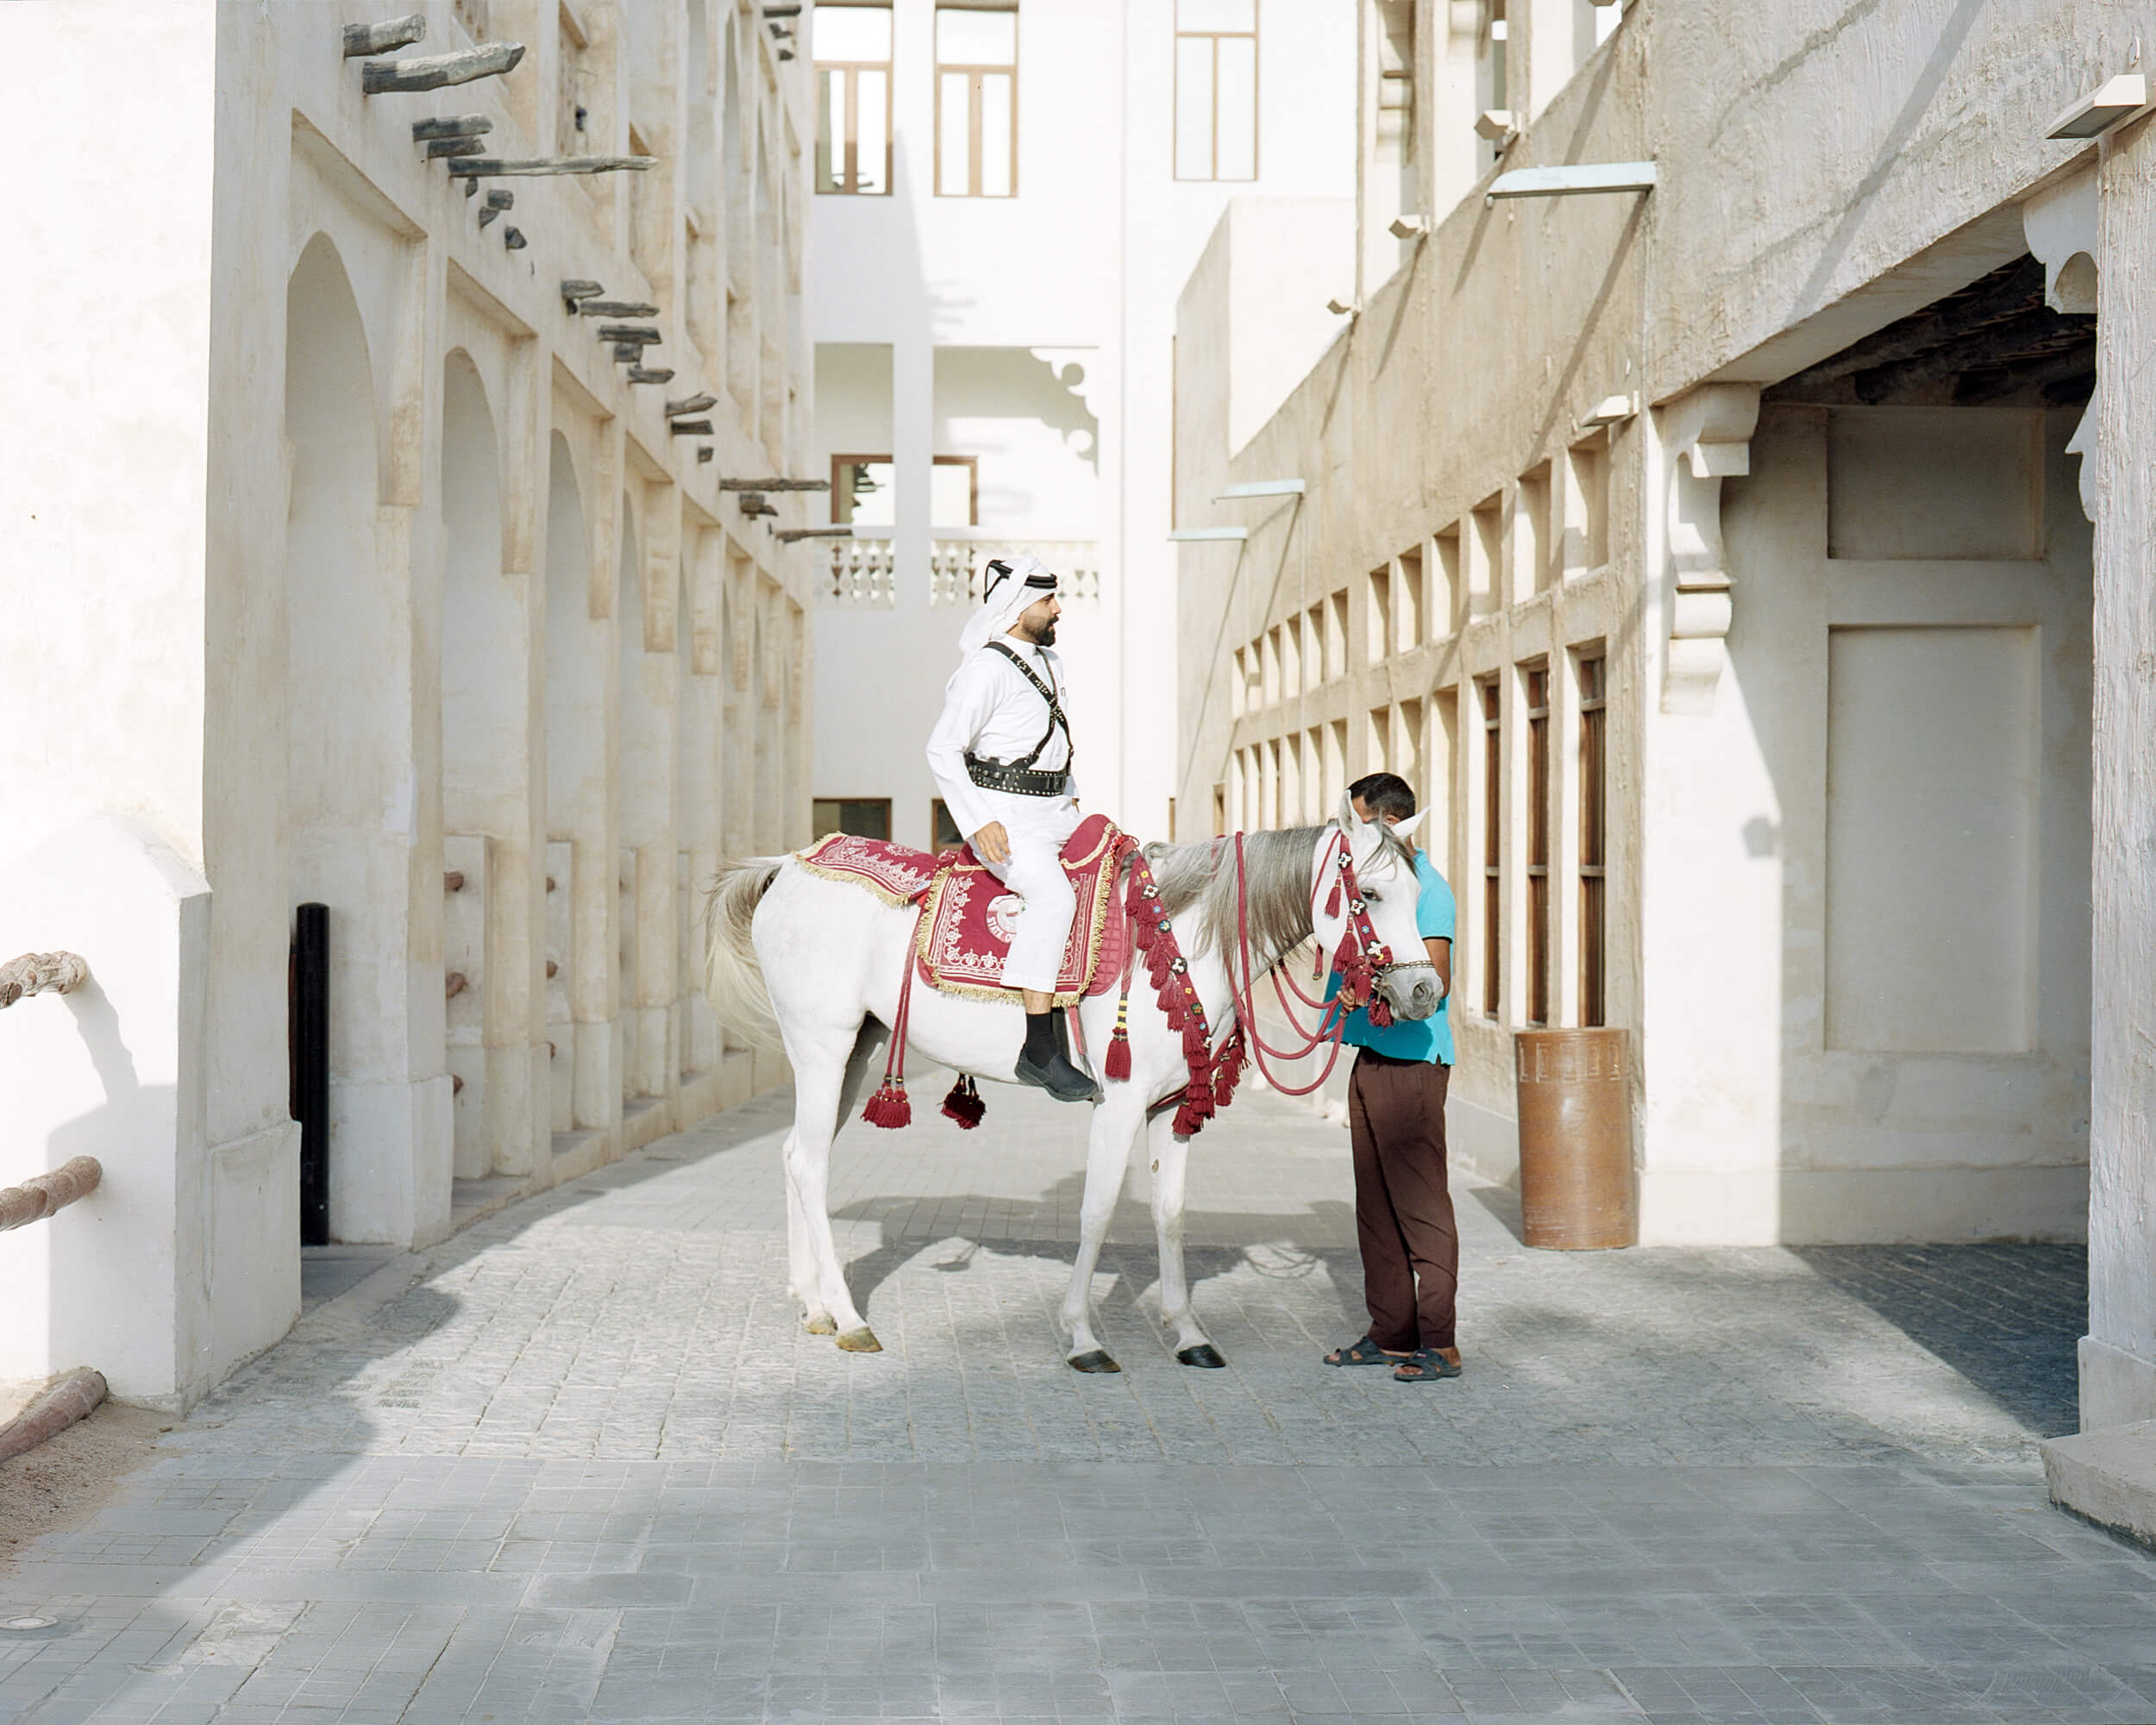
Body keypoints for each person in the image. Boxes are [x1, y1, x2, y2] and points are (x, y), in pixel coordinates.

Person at [924, 554, 1100, 1103]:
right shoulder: (985, 668)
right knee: (1052, 900)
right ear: (1017, 605)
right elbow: (943, 748)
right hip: (1010, 822)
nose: (1058, 609)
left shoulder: (1052, 663)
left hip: (1058, 813)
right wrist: (980, 824)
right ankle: (1040, 1049)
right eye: (1048, 599)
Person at [1321, 772, 1462, 1384]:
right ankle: (1391, 1334)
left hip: (1413, 1064)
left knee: (1421, 1205)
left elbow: (1435, 982)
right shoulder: (1368, 885)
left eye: (1358, 821)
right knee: (1375, 1207)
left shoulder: (1426, 887)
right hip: (1372, 1055)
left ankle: (1441, 1342)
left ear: (1388, 823)